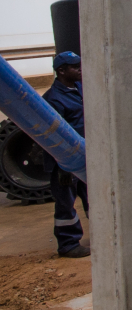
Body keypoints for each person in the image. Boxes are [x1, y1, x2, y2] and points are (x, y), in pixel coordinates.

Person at [42, 51, 89, 259]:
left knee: (93, 196)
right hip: (64, 162)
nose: (80, 70)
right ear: (61, 71)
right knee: (66, 203)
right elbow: (50, 135)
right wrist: (63, 165)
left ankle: (105, 233)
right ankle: (68, 244)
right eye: (75, 67)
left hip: (84, 155)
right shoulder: (53, 99)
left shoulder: (80, 88)